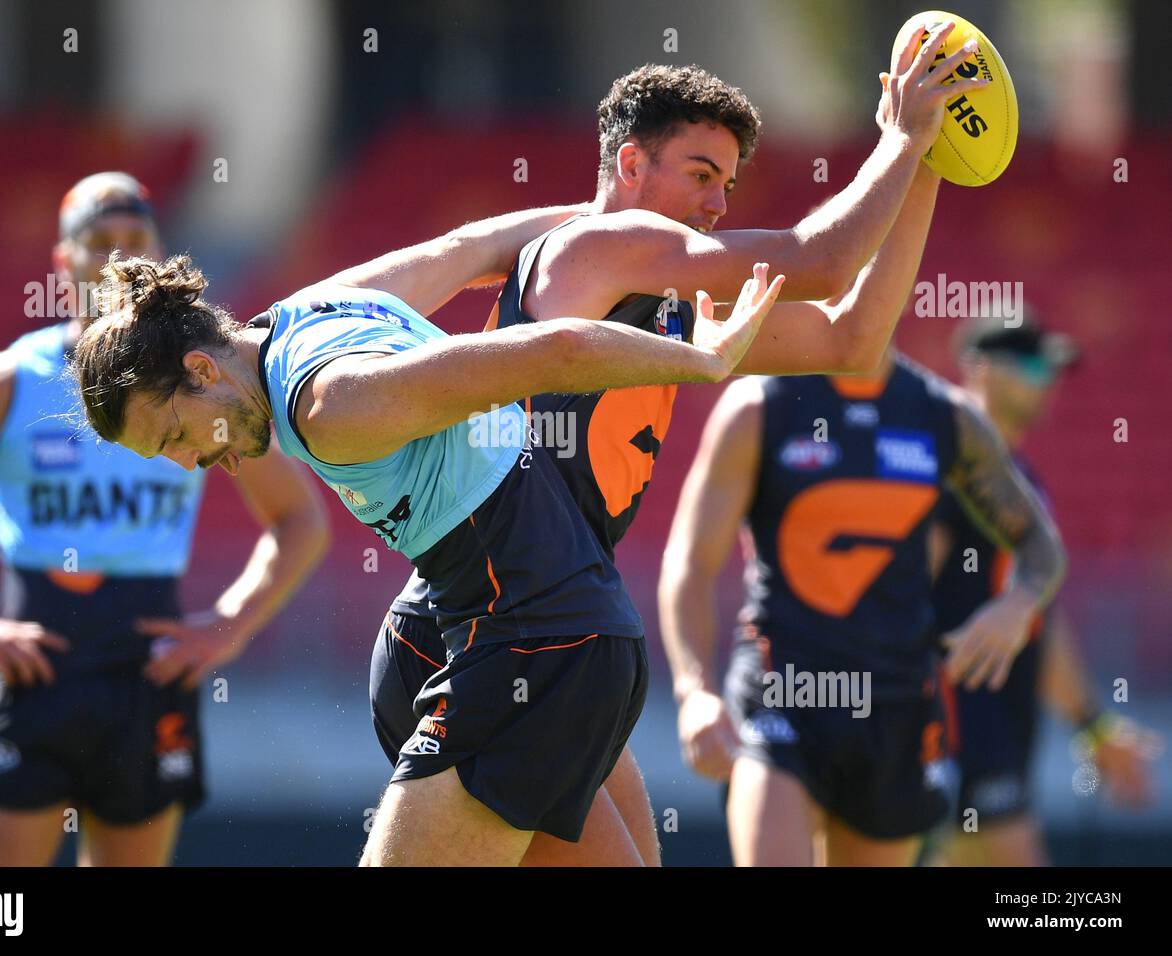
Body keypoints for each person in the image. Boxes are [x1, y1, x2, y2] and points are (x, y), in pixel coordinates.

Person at [373, 30, 986, 866]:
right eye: (701, 175)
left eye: (728, 186)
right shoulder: (601, 246)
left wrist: (930, 165)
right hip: (484, 631)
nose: (718, 205)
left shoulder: (660, 304)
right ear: (629, 165)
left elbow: (850, 340)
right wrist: (901, 138)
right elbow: (820, 263)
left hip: (529, 629)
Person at [70, 192, 786, 864]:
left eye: (174, 436)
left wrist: (705, 360)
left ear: (201, 370)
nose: (191, 463)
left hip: (531, 647)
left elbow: (558, 350)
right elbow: (477, 244)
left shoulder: (331, 405)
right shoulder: (309, 307)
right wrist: (607, 216)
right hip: (563, 638)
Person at [0, 172, 330, 866]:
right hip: (37, 685)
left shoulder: (198, 389)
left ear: (156, 248)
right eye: (98, 242)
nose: (115, 257)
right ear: (64, 263)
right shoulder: (8, 381)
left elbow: (300, 519)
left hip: (149, 688)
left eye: (133, 239)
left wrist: (229, 627)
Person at [659, 339, 1067, 866]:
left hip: (894, 707)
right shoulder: (762, 406)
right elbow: (689, 562)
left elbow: (1040, 545)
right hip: (782, 696)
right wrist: (695, 690)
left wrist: (1016, 608)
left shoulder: (942, 415)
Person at [929, 315, 1161, 866]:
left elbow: (1037, 621)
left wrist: (1093, 725)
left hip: (1001, 741)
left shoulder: (1021, 480)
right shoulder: (944, 466)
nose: (1047, 381)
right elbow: (899, 596)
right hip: (949, 739)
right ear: (980, 370)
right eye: (1032, 367)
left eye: (1051, 370)